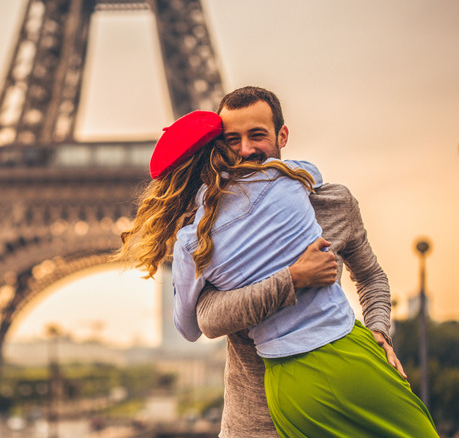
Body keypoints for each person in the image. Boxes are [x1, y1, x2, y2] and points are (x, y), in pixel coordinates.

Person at [116, 89, 438, 436]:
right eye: (232, 140)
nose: (245, 150)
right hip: (254, 424)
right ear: (218, 147)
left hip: (337, 380)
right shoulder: (212, 234)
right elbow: (208, 318)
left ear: (282, 135)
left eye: (257, 135)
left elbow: (371, 276)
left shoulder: (335, 203)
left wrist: (378, 330)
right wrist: (293, 278)